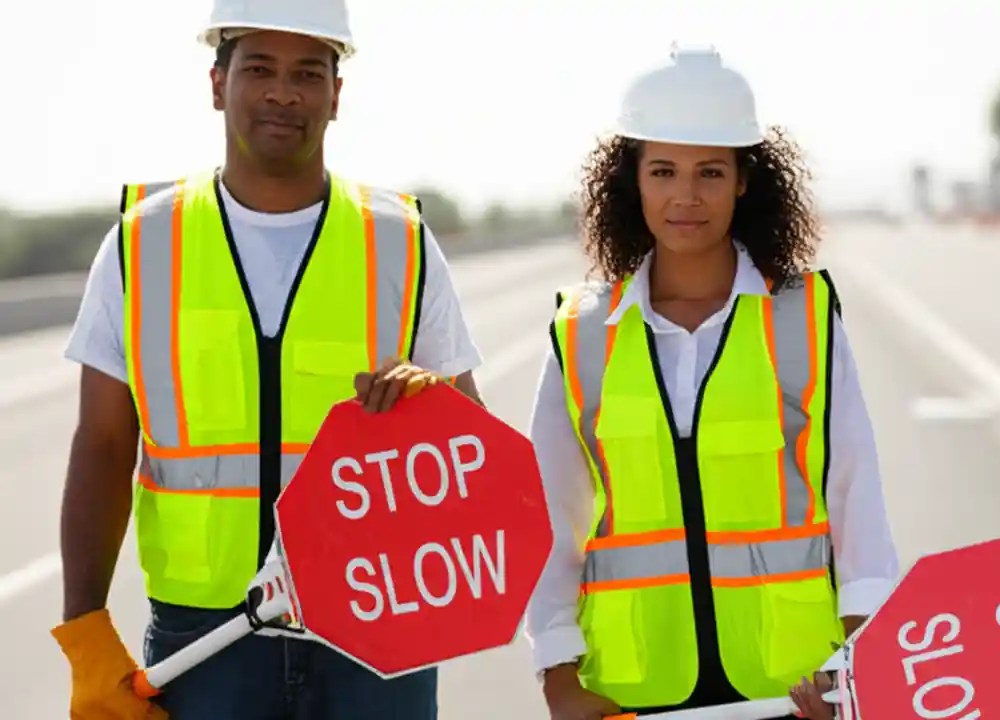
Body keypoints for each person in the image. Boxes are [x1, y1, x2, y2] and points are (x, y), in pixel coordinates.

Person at [48, 1, 482, 718]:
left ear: (336, 96)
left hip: (375, 633)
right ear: (217, 83)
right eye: (260, 69)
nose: (284, 92)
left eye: (308, 73)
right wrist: (87, 631)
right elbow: (101, 445)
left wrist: (432, 407)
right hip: (204, 642)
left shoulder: (399, 242)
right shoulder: (142, 244)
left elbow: (473, 449)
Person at [523, 45, 901, 720]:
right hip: (632, 693)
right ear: (631, 180)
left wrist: (859, 657)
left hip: (793, 690)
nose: (686, 196)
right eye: (663, 170)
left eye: (710, 172)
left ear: (744, 180)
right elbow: (548, 518)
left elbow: (856, 495)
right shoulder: (581, 332)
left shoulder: (804, 317)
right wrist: (557, 671)